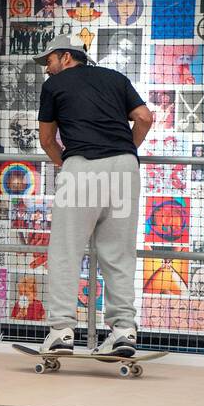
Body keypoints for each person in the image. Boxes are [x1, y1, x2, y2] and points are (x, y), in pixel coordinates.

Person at [35, 33, 153, 356]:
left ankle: (61, 331)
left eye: (49, 60)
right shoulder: (116, 78)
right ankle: (124, 331)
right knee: (119, 252)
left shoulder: (54, 87)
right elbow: (144, 117)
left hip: (81, 167)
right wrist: (125, 150)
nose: (47, 69)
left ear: (67, 57)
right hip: (125, 169)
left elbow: (47, 140)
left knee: (65, 250)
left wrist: (67, 164)